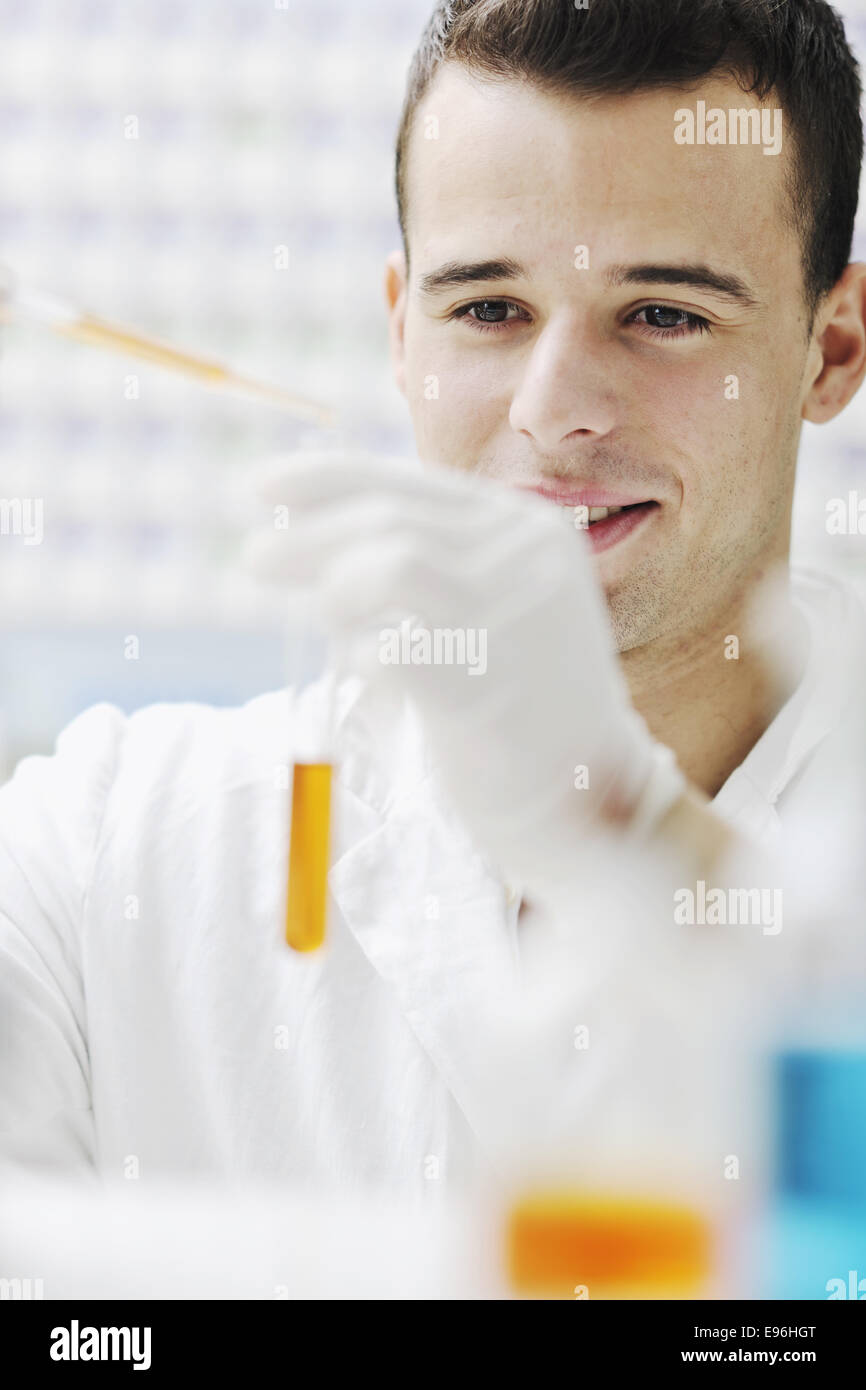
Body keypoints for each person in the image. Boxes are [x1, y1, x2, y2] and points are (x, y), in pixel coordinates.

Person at [1, 0, 865, 1199]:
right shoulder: (106, 849)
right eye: (488, 310)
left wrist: (621, 833)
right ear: (400, 331)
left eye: (663, 314)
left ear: (829, 349)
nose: (551, 408)